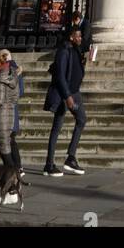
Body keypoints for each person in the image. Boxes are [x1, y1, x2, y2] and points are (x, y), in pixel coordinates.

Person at [43, 28, 87, 177]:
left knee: (81, 119)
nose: (80, 38)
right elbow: (60, 75)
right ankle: (49, 165)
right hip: (65, 93)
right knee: (57, 128)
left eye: (81, 36)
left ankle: (70, 157)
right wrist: (67, 96)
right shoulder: (63, 50)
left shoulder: (75, 49)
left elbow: (74, 68)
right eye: (78, 36)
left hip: (75, 92)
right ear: (71, 36)